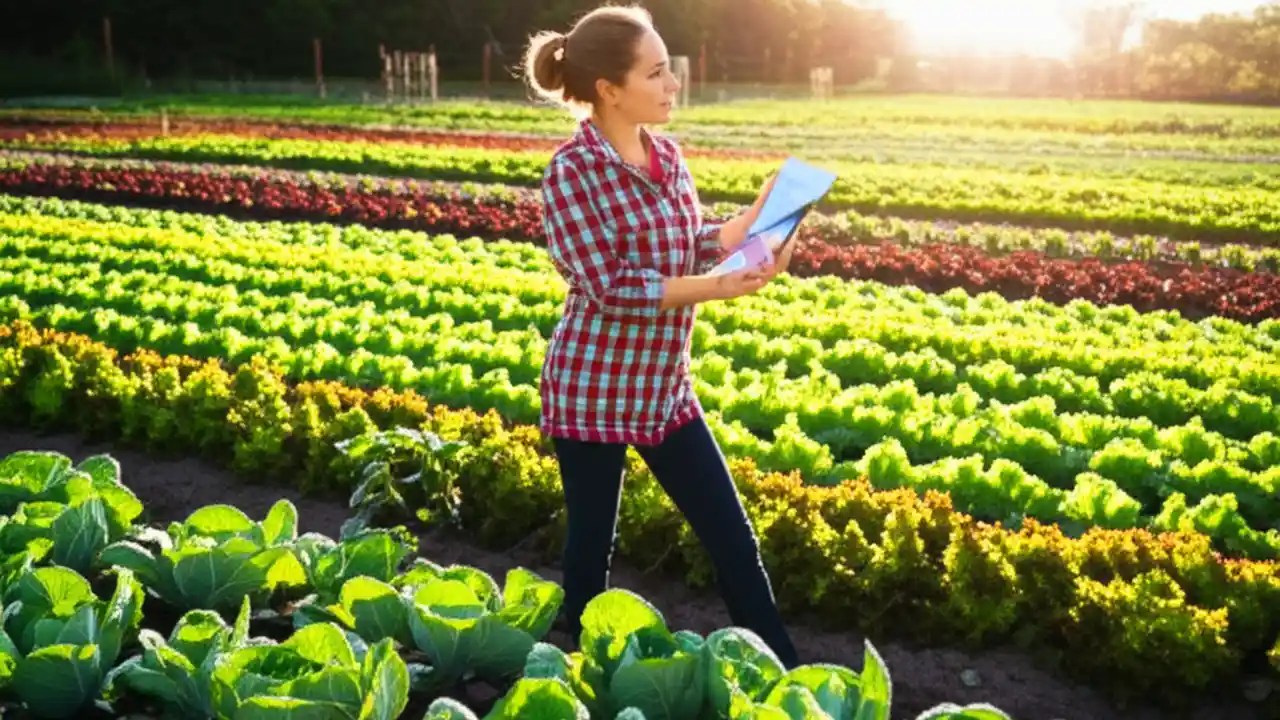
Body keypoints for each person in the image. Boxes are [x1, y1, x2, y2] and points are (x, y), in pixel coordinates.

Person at [520, 4, 800, 667]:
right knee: (591, 554)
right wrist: (715, 287)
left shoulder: (667, 157)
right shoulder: (572, 173)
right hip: (591, 393)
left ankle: (787, 674)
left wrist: (757, 224)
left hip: (664, 391)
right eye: (657, 73)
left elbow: (693, 243)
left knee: (732, 538)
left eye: (668, 69)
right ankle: (578, 675)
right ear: (610, 89)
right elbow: (609, 286)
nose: (673, 83)